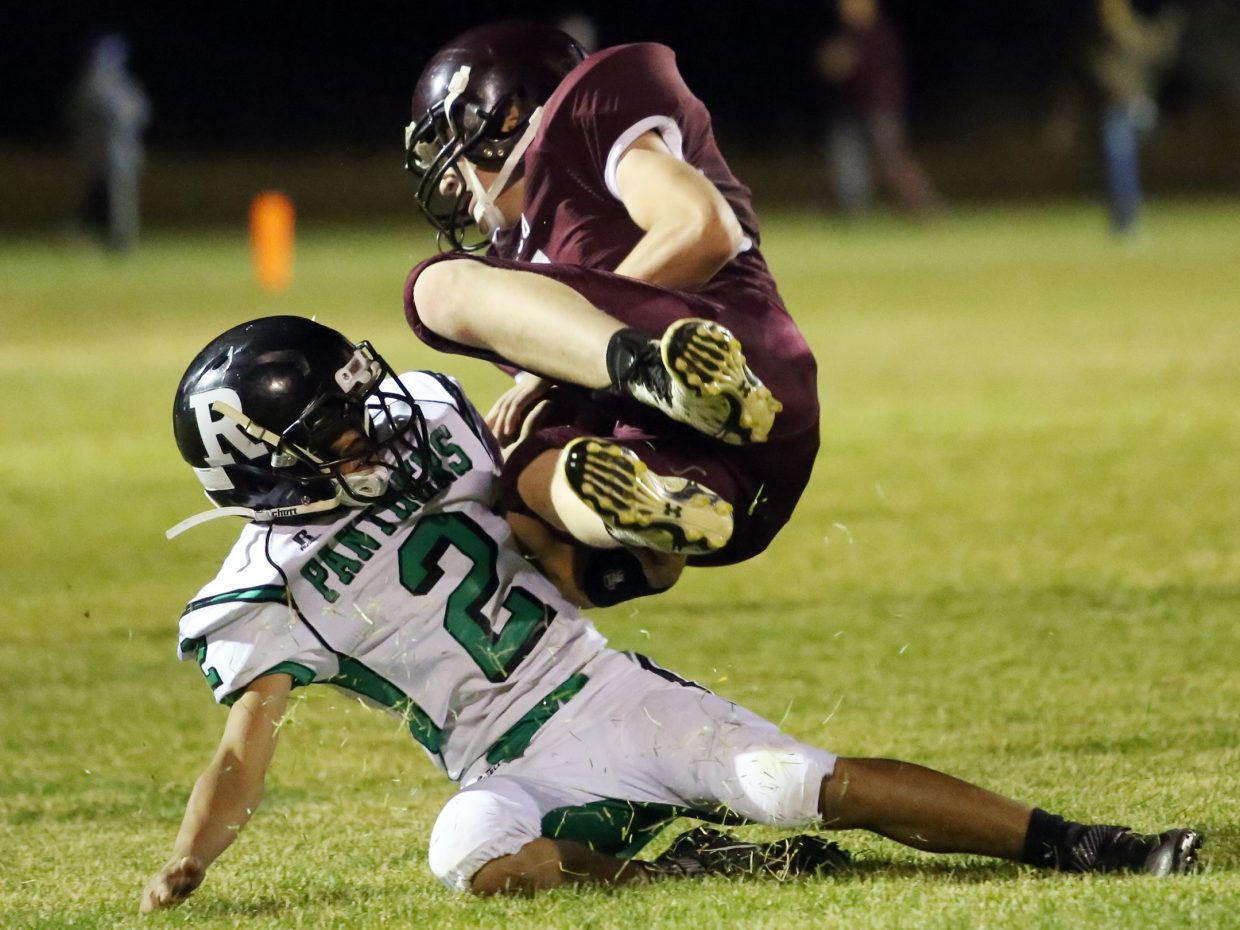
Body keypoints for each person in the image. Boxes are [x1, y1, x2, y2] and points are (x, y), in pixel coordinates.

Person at [141, 316, 1202, 911]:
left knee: (802, 784)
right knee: (470, 861)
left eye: (360, 402)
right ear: (262, 469)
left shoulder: (423, 417)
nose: (376, 427)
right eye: (336, 430)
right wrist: (191, 859)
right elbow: (243, 755)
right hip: (505, 771)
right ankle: (676, 869)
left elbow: (529, 507)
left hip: (599, 689)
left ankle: (1087, 845)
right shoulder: (267, 592)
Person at [401, 21, 817, 608]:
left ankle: (655, 372)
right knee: (525, 491)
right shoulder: (520, 256)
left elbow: (701, 228)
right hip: (739, 474)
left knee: (433, 287)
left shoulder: (580, 121)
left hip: (731, 350)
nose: (447, 175)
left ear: (505, 120)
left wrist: (565, 366)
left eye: (450, 143)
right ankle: (653, 528)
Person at [814, 0, 939, 217]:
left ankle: (927, 210)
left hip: (879, 111)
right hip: (853, 110)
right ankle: (853, 212)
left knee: (892, 163)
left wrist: (843, 62)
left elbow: (865, 70)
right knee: (846, 161)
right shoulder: (848, 35)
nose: (846, 10)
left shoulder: (879, 35)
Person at [1090, 0, 1184, 234]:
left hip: (1134, 108)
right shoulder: (1102, 38)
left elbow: (1159, 53)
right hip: (1116, 109)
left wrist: (1172, 24)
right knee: (1117, 161)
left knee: (1121, 158)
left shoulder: (1128, 31)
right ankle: (1121, 215)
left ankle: (1128, 213)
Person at [67, 33, 151, 253]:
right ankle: (116, 241)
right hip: (104, 154)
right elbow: (118, 113)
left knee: (111, 199)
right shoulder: (93, 83)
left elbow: (141, 110)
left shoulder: (121, 82)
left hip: (122, 153)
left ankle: (111, 239)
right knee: (111, 200)